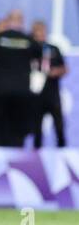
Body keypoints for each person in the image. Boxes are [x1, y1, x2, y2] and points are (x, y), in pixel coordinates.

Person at [0, 11, 39, 147]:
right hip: (21, 91)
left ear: (7, 20)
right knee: (17, 128)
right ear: (22, 21)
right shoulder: (29, 41)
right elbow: (40, 65)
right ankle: (15, 158)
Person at [30, 19, 66, 148]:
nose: (41, 34)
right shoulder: (30, 48)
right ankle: (36, 154)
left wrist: (55, 72)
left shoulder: (53, 49)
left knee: (59, 126)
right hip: (36, 95)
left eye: (43, 30)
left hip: (52, 93)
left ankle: (63, 151)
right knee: (37, 127)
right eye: (37, 31)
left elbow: (64, 68)